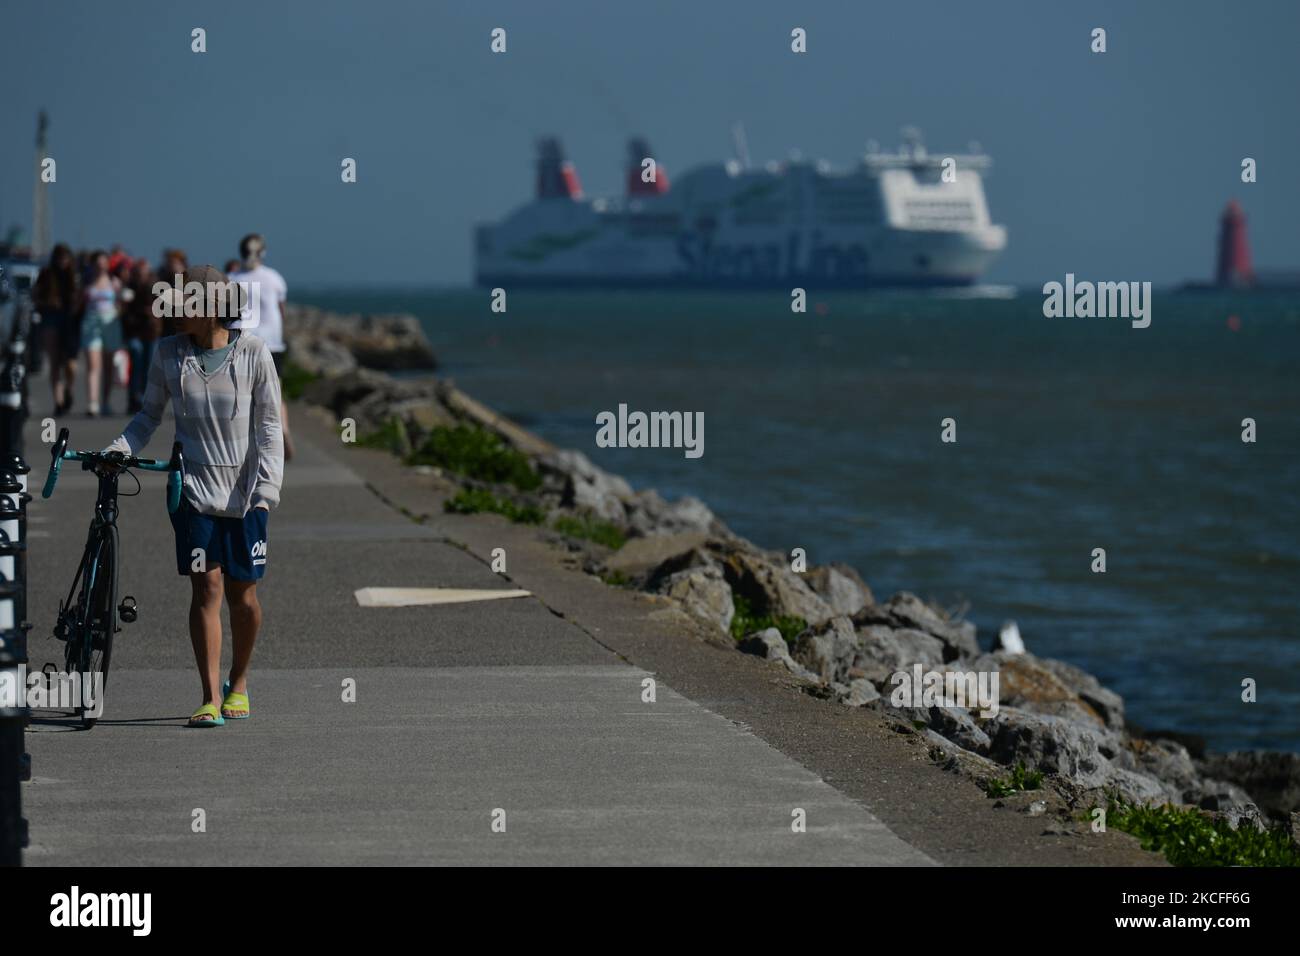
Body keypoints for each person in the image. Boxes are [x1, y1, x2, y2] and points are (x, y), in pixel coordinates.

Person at [104, 264, 284, 727]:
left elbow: (268, 425)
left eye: (185, 302)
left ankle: (238, 682)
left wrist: (267, 488)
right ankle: (207, 695)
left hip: (245, 494)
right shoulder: (168, 353)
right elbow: (148, 417)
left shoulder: (255, 354)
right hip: (193, 490)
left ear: (212, 310)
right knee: (207, 587)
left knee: (243, 597)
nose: (175, 310)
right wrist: (119, 448)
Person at [229, 234, 294, 459]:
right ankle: (282, 430)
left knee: (245, 394)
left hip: (243, 342)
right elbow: (281, 310)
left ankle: (249, 443)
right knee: (276, 392)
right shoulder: (274, 278)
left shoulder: (232, 279)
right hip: (272, 343)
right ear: (263, 252)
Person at [32, 243, 80, 415]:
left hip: (69, 320)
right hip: (51, 318)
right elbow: (35, 297)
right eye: (59, 258)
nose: (62, 261)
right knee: (55, 362)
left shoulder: (74, 275)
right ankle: (58, 401)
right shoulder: (46, 274)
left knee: (70, 364)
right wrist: (48, 303)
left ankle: (69, 389)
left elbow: (79, 299)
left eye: (65, 258)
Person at [80, 250, 123, 416]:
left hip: (110, 322)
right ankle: (92, 402)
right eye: (97, 264)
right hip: (91, 322)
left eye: (103, 263)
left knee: (108, 365)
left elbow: (120, 304)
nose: (100, 267)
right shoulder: (86, 281)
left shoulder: (114, 282)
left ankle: (105, 401)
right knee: (93, 363)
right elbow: (78, 304)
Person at [121, 257, 161, 413]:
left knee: (149, 367)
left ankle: (145, 399)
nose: (140, 275)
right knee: (136, 360)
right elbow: (124, 309)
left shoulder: (155, 285)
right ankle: (134, 398)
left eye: (143, 272)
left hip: (150, 331)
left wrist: (153, 312)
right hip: (134, 331)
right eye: (138, 272)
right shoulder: (129, 287)